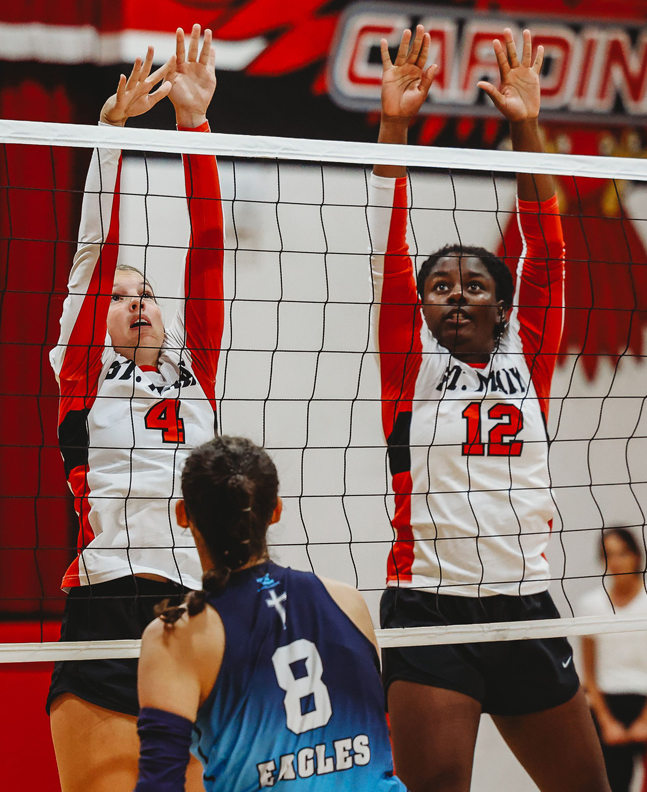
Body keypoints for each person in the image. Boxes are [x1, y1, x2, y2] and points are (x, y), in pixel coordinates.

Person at [370, 25, 611, 792]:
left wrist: (526, 124)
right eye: (438, 286)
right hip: (432, 610)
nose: (455, 294)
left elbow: (550, 242)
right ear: (420, 308)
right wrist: (395, 127)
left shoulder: (527, 352)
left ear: (503, 308)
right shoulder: (409, 361)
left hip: (528, 610)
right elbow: (385, 238)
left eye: (474, 284)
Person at [47, 25, 222, 792]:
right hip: (105, 605)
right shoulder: (82, 368)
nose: (135, 301)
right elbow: (98, 244)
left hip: (196, 608)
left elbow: (209, 245)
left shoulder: (199, 369)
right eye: (118, 297)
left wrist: (195, 125)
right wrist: (110, 137)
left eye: (144, 290)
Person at [134, 435, 406, 792]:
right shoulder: (348, 602)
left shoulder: (178, 634)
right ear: (275, 510)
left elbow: (159, 786)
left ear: (183, 515)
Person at [580, 528, 647, 792]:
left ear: (637, 556)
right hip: (607, 705)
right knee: (610, 782)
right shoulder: (591, 605)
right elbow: (589, 675)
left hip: (644, 700)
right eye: (608, 555)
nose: (616, 561)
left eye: (622, 553)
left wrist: (644, 721)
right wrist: (607, 723)